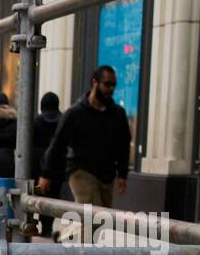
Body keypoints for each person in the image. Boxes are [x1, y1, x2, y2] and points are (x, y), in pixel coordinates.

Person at [36, 64, 131, 207]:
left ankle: (73, 230)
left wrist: (123, 174)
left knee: (102, 220)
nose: (111, 89)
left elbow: (123, 144)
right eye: (107, 84)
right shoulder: (75, 113)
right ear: (94, 83)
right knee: (93, 217)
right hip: (81, 170)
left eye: (113, 85)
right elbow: (58, 144)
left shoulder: (118, 114)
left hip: (106, 174)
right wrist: (46, 174)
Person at [32, 92, 63, 237]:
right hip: (56, 166)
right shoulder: (62, 121)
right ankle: (47, 227)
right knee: (52, 196)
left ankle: (32, 224)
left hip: (36, 165)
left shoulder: (35, 122)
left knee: (33, 196)